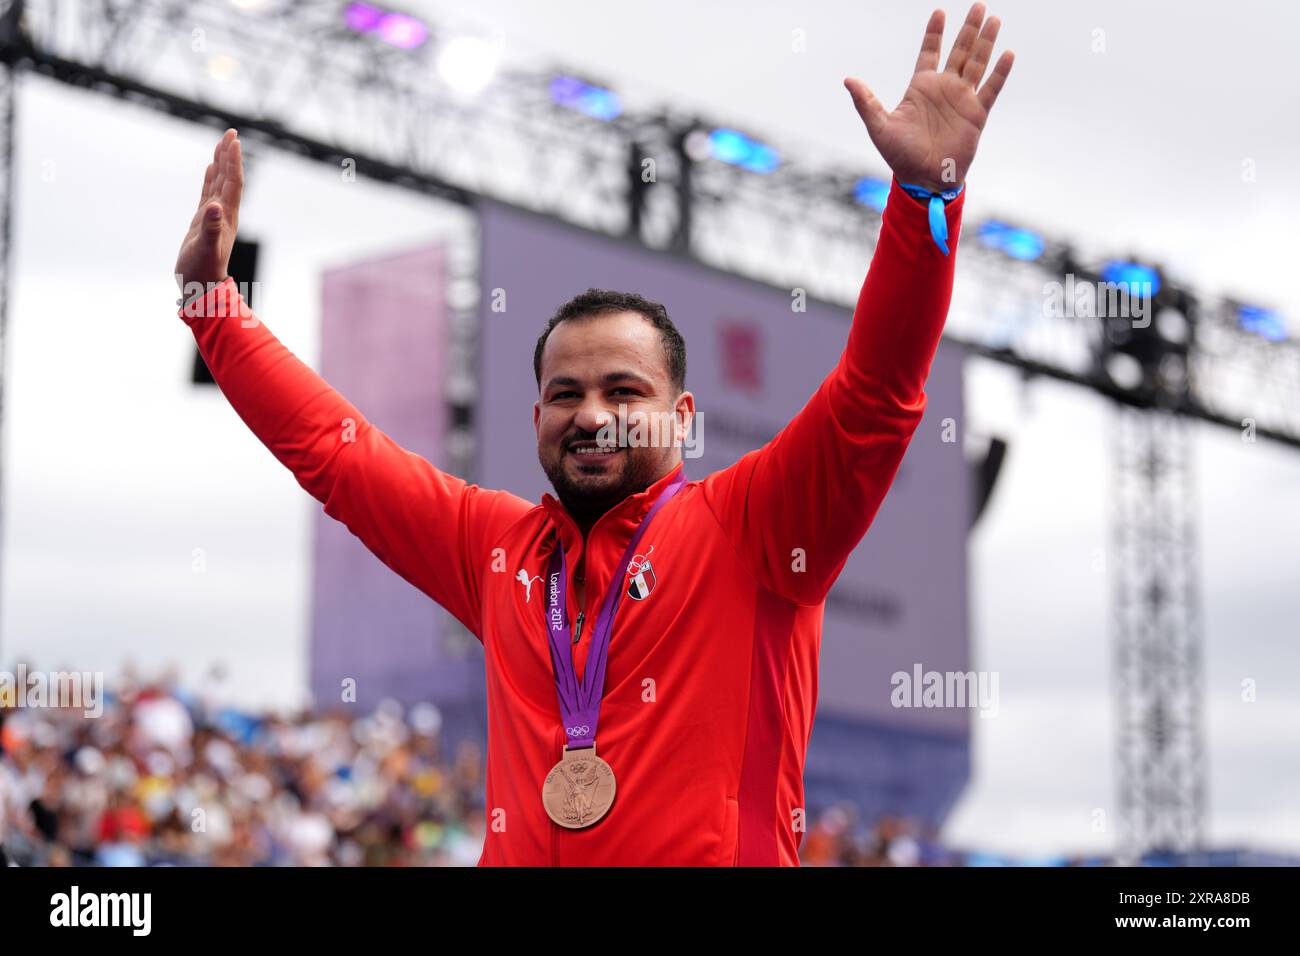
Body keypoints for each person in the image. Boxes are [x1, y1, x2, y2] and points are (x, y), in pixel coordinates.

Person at [171, 4, 1013, 866]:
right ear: (536, 420)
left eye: (625, 390)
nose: (593, 413)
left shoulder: (757, 528)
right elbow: (338, 455)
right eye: (565, 392)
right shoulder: (496, 550)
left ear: (682, 418)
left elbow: (876, 395)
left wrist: (922, 200)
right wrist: (215, 313)